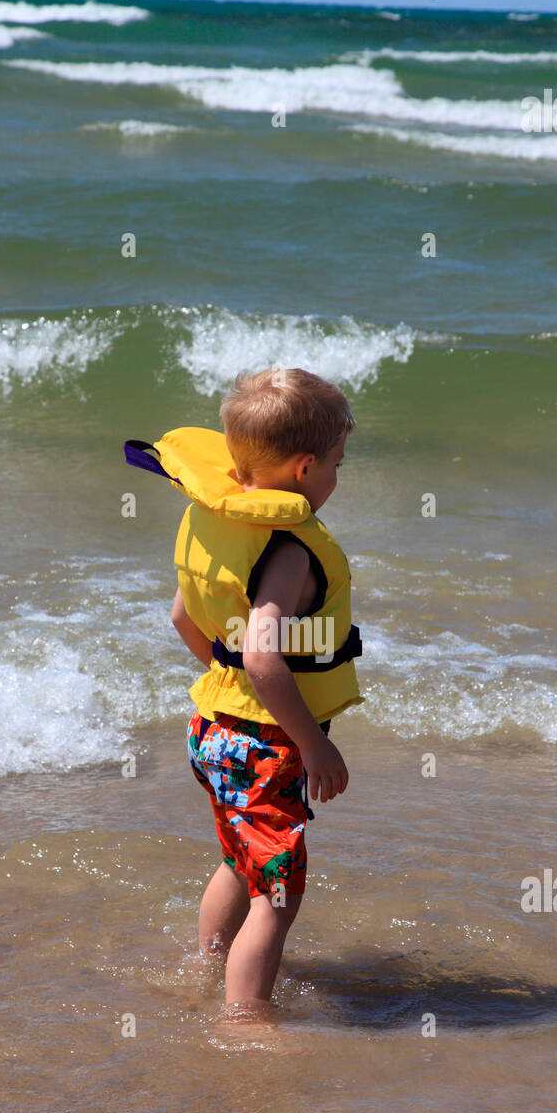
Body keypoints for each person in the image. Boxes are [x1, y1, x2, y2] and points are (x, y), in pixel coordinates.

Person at [125, 368, 363, 1017]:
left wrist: (229, 682)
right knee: (277, 896)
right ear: (306, 467)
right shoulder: (288, 551)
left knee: (239, 861)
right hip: (265, 746)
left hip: (212, 731)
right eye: (337, 463)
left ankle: (205, 966)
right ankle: (245, 1018)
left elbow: (181, 615)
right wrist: (312, 745)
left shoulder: (219, 524)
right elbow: (263, 657)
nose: (339, 476)